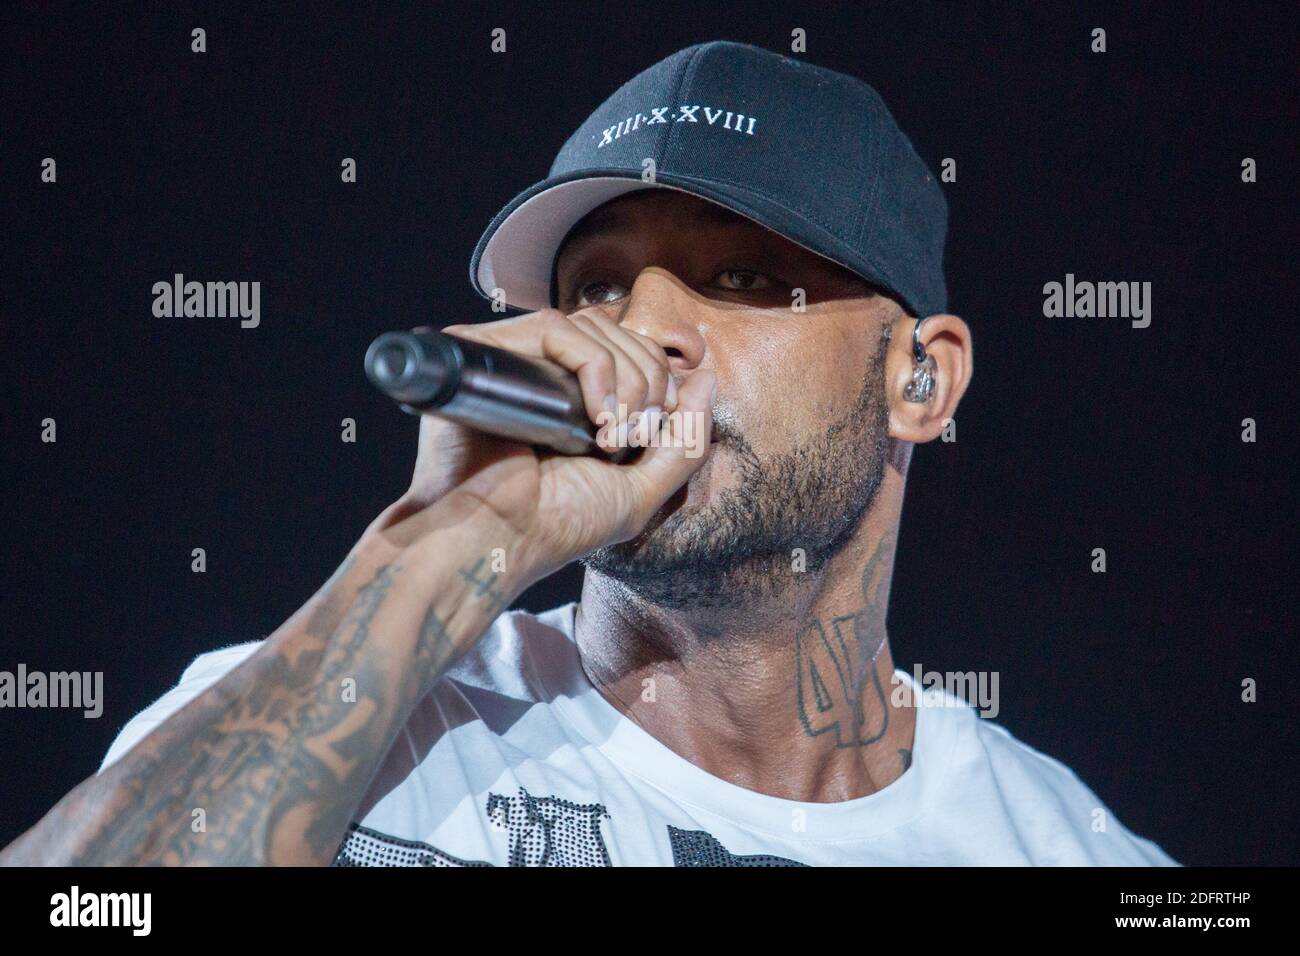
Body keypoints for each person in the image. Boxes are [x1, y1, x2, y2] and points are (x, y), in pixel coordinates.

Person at [1, 41, 1175, 866]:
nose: (642, 327)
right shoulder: (335, 714)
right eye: (597, 283)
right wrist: (451, 544)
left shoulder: (1059, 847)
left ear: (920, 379)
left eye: (743, 276)